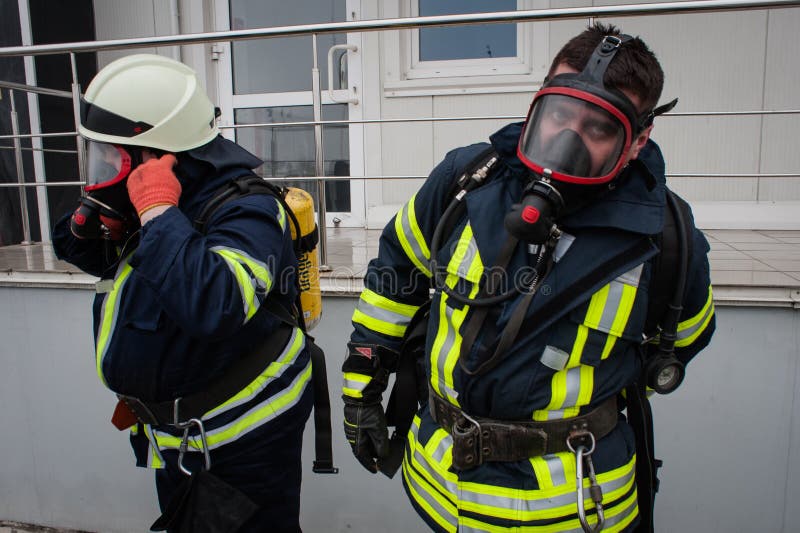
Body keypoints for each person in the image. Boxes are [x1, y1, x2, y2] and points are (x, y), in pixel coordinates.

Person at [341, 24, 715, 533]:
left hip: (572, 512)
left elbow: (680, 342)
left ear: (638, 140)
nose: (567, 141)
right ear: (538, 104)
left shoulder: (665, 239)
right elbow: (394, 274)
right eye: (558, 116)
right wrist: (361, 390)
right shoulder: (465, 179)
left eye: (599, 128)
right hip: (440, 491)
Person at [53, 54, 313, 532]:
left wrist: (157, 212)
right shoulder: (156, 200)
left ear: (158, 155)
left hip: (242, 437)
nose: (103, 169)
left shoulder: (249, 208)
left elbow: (215, 304)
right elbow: (77, 249)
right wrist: (95, 215)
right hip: (175, 436)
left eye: (111, 157)